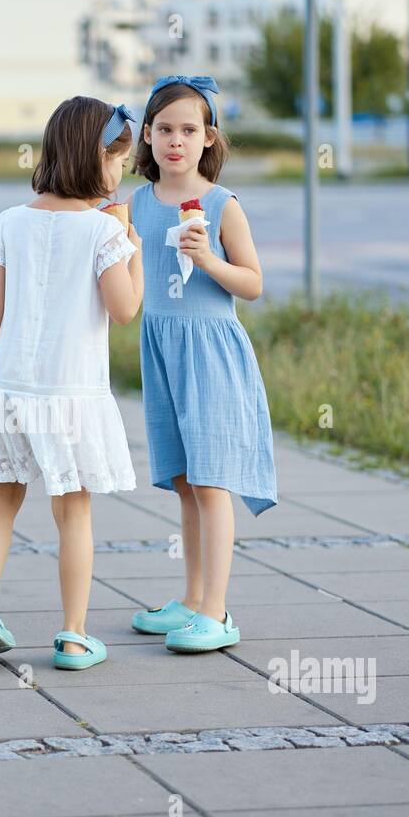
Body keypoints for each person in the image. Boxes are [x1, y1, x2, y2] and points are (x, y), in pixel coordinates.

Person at [0, 97, 143, 672]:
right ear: (97, 159)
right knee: (74, 512)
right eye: (119, 162)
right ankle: (72, 634)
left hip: (12, 388)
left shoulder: (10, 222)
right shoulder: (101, 231)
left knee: (3, 496)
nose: (122, 175)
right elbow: (124, 309)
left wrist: (15, 363)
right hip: (72, 395)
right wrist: (131, 245)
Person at [126, 74, 276, 654]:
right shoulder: (136, 204)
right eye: (164, 129)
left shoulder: (220, 204)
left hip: (210, 351)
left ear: (209, 138)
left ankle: (217, 611)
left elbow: (255, 284)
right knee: (185, 481)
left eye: (189, 129)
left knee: (212, 480)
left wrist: (209, 259)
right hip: (161, 349)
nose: (176, 141)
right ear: (147, 134)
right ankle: (191, 598)